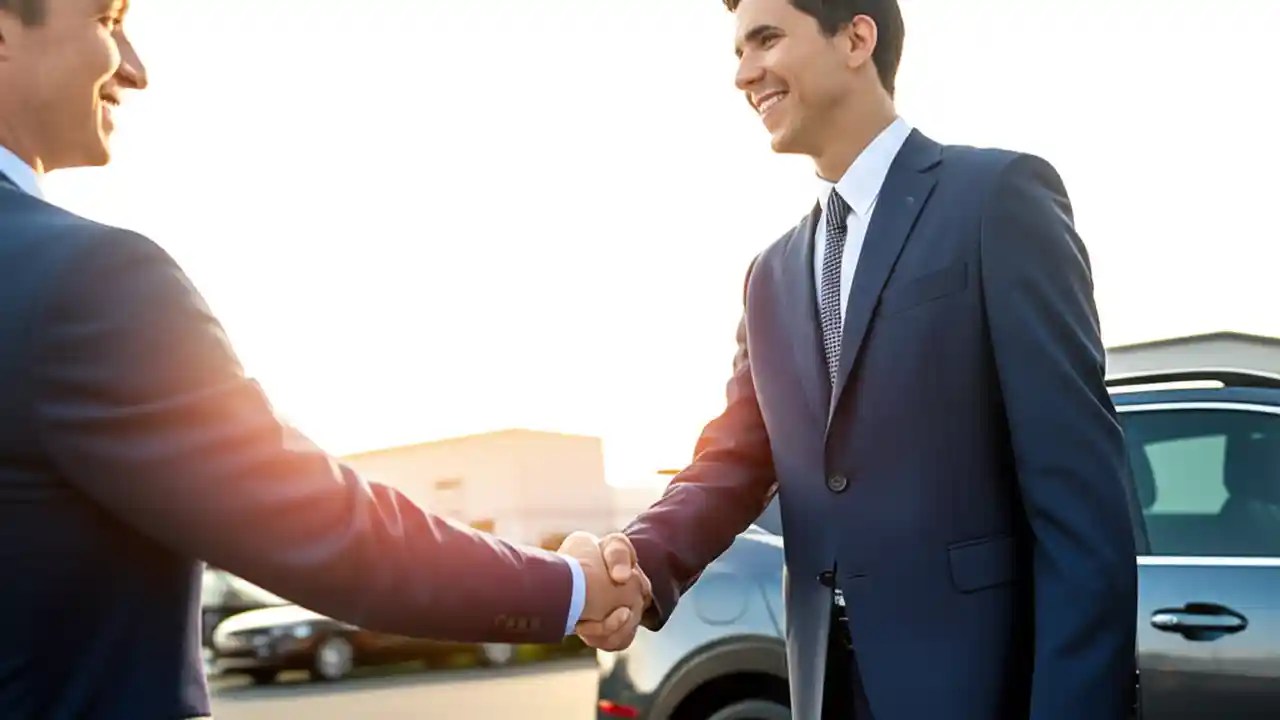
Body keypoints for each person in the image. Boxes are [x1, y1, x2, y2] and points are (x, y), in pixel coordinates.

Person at [0, 1, 646, 718]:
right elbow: (314, 523)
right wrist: (572, 587)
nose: (135, 68)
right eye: (106, 20)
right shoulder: (84, 280)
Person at [570, 0, 1139, 718]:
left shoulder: (997, 199)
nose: (744, 74)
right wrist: (636, 562)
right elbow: (733, 462)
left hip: (978, 685)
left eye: (766, 40)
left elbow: (1081, 500)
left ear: (856, 38)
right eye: (739, 53)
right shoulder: (770, 275)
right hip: (824, 685)